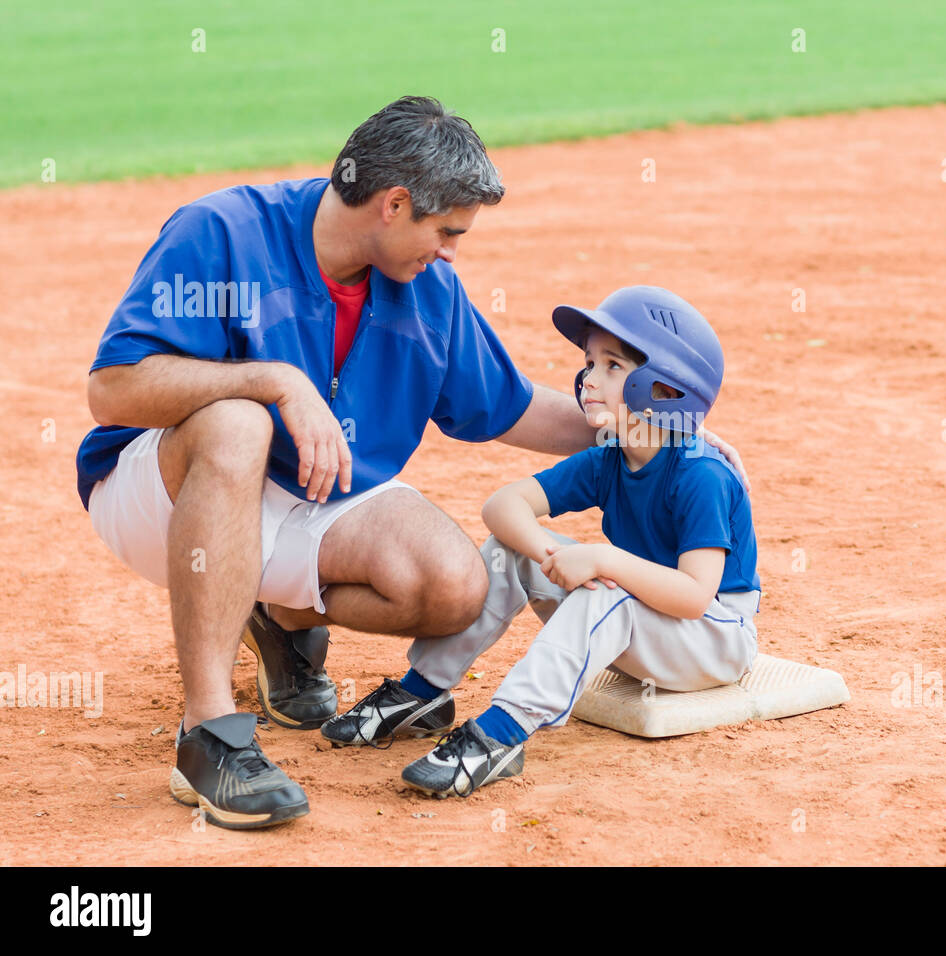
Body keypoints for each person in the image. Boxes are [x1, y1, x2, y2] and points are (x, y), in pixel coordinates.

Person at [75, 96, 750, 828]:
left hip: (303, 503)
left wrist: (654, 427)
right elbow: (112, 390)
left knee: (455, 585)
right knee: (239, 425)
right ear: (394, 204)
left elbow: (513, 406)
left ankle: (276, 616)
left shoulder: (427, 291)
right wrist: (271, 380)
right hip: (165, 492)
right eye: (448, 230)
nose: (453, 251)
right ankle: (208, 732)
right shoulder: (226, 232)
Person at [323, 286, 761, 798]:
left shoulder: (700, 475)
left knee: (607, 594)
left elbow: (693, 597)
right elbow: (502, 506)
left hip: (714, 639)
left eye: (612, 366)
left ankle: (502, 735)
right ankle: (424, 692)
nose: (589, 379)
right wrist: (547, 555)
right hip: (643, 620)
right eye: (590, 362)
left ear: (664, 391)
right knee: (510, 552)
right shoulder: (610, 456)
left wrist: (603, 559)